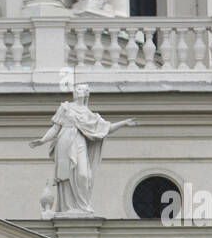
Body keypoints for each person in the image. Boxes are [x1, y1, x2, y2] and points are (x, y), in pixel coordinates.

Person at [30, 85, 136, 215]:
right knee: (66, 176)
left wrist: (124, 123)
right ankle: (68, 208)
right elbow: (55, 129)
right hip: (64, 141)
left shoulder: (89, 115)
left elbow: (106, 129)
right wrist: (42, 140)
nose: (76, 91)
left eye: (80, 89)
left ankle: (82, 206)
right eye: (75, 89)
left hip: (79, 142)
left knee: (83, 175)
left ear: (86, 93)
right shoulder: (65, 108)